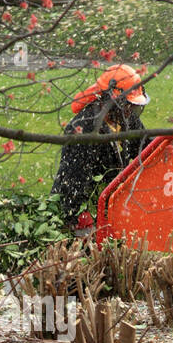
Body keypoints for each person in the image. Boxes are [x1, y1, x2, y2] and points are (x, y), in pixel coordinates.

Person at [50, 65, 150, 231]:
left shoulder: (125, 119)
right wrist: (76, 212)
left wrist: (170, 144)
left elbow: (145, 146)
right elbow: (72, 177)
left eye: (132, 106)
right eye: (126, 105)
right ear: (111, 100)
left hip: (109, 202)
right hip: (83, 207)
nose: (129, 111)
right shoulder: (84, 129)